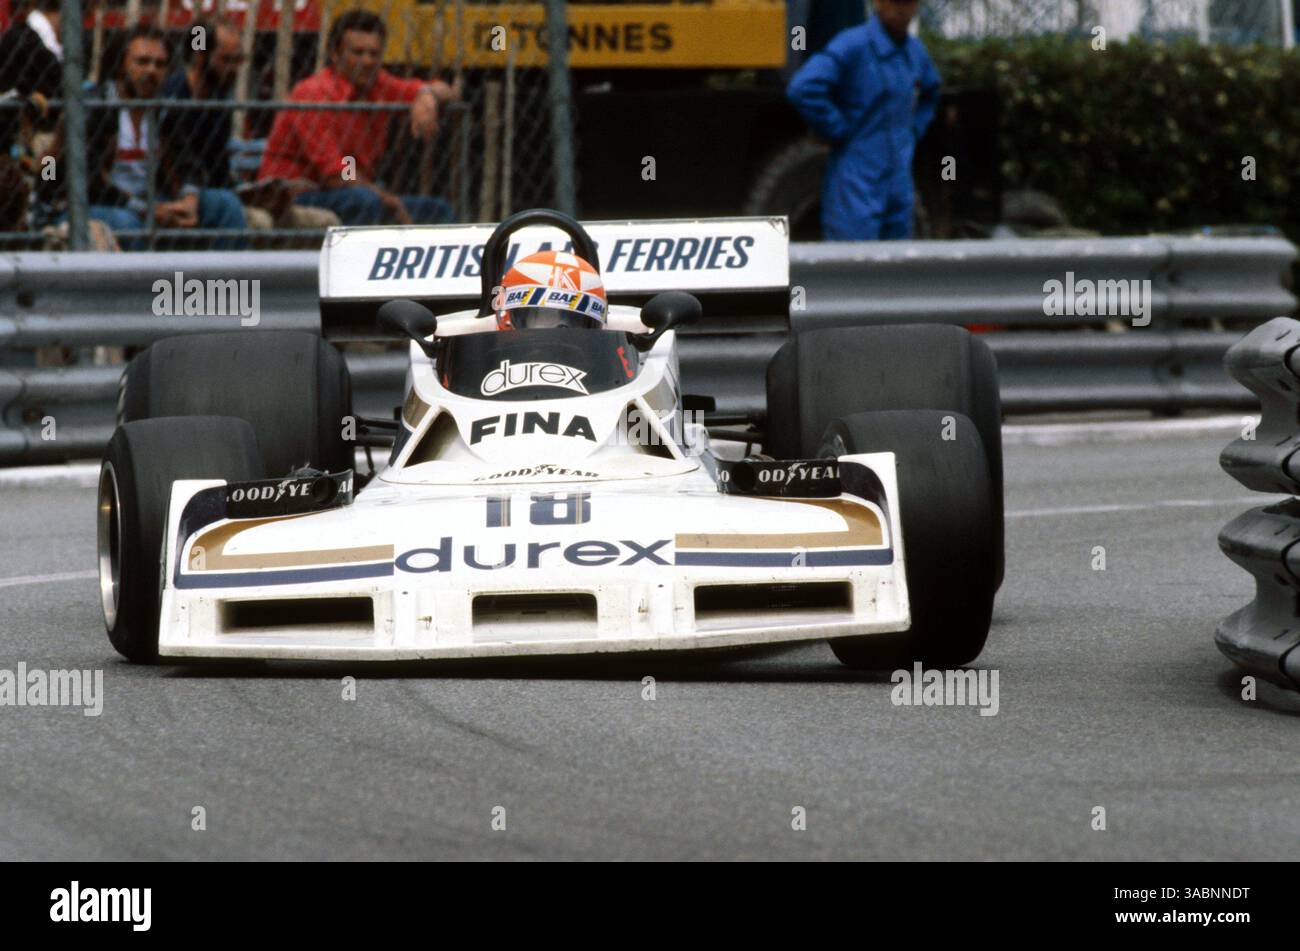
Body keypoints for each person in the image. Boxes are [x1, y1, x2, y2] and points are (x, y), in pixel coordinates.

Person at [258, 9, 456, 226]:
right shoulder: (313, 94)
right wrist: (387, 199)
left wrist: (426, 95)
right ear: (335, 54)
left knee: (437, 209)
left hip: (353, 189)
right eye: (358, 53)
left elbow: (448, 90)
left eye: (374, 54)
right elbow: (338, 172)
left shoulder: (379, 85)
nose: (367, 61)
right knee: (365, 201)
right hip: (299, 194)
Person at [160, 16, 339, 236]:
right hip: (185, 194)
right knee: (259, 222)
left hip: (220, 192)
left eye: (239, 60)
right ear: (200, 55)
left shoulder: (218, 100)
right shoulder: (174, 97)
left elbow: (220, 170)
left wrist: (254, 194)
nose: (235, 69)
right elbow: (179, 166)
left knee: (323, 221)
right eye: (226, 60)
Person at [786, 0, 940, 241]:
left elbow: (931, 92)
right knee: (852, 264)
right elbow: (804, 87)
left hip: (899, 182)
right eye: (895, 3)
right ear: (878, 3)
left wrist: (912, 131)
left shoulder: (914, 52)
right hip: (857, 179)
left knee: (899, 265)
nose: (902, 10)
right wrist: (836, 128)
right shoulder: (853, 45)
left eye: (909, 3)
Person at [86, 24, 247, 248]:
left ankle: (230, 281)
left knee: (225, 204)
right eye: (142, 62)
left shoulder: (164, 109)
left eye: (160, 64)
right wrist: (146, 209)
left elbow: (187, 162)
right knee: (131, 224)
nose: (151, 70)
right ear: (121, 65)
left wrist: (189, 198)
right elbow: (87, 181)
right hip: (102, 205)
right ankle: (151, 284)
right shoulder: (96, 108)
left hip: (153, 199)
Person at [0, 0, 63, 231]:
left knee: (45, 166)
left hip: (34, 120)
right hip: (22, 120)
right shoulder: (21, 37)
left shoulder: (26, 36)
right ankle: (40, 204)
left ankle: (41, 204)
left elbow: (52, 78)